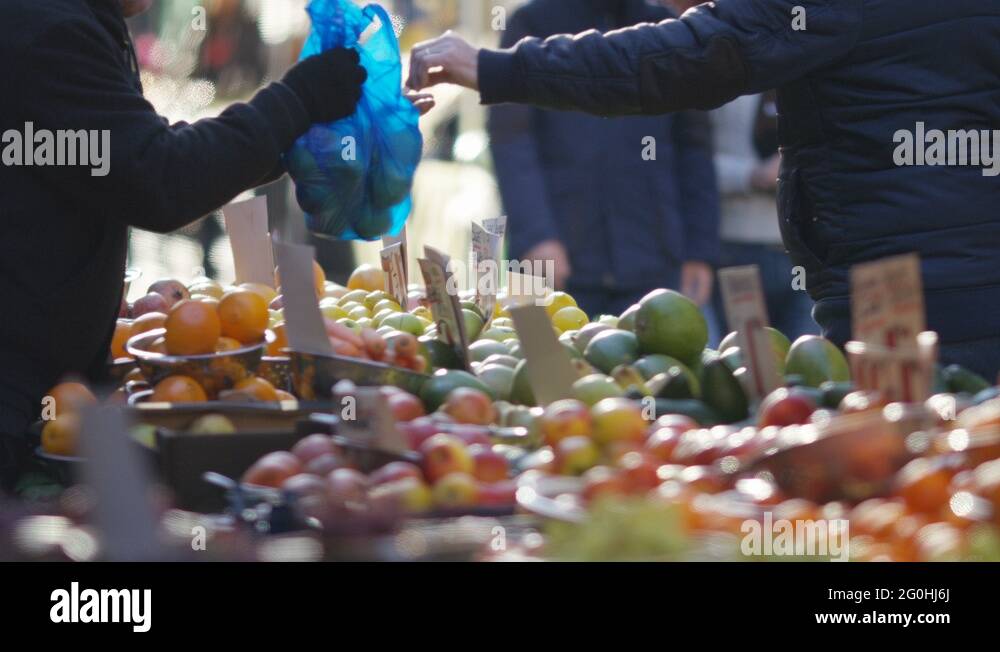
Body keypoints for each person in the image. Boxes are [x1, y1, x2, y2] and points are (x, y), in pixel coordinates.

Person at [406, 0, 1000, 378]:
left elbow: (689, 57)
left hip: (890, 296)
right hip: (960, 285)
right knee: (958, 487)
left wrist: (496, 68)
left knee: (901, 492)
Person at [0, 0, 366, 488]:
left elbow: (133, 156)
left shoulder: (74, 20)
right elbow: (157, 177)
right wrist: (296, 102)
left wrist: (290, 140)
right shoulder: (45, 30)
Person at [488, 0, 720, 317]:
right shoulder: (532, 24)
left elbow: (693, 147)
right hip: (557, 260)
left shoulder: (668, 28)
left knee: (654, 365)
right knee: (543, 365)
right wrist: (536, 236)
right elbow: (512, 140)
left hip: (653, 260)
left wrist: (699, 251)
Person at [708, 90, 817, 341]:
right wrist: (751, 175)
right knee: (742, 365)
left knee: (804, 363)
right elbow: (692, 162)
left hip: (804, 250)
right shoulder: (723, 72)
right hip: (736, 250)